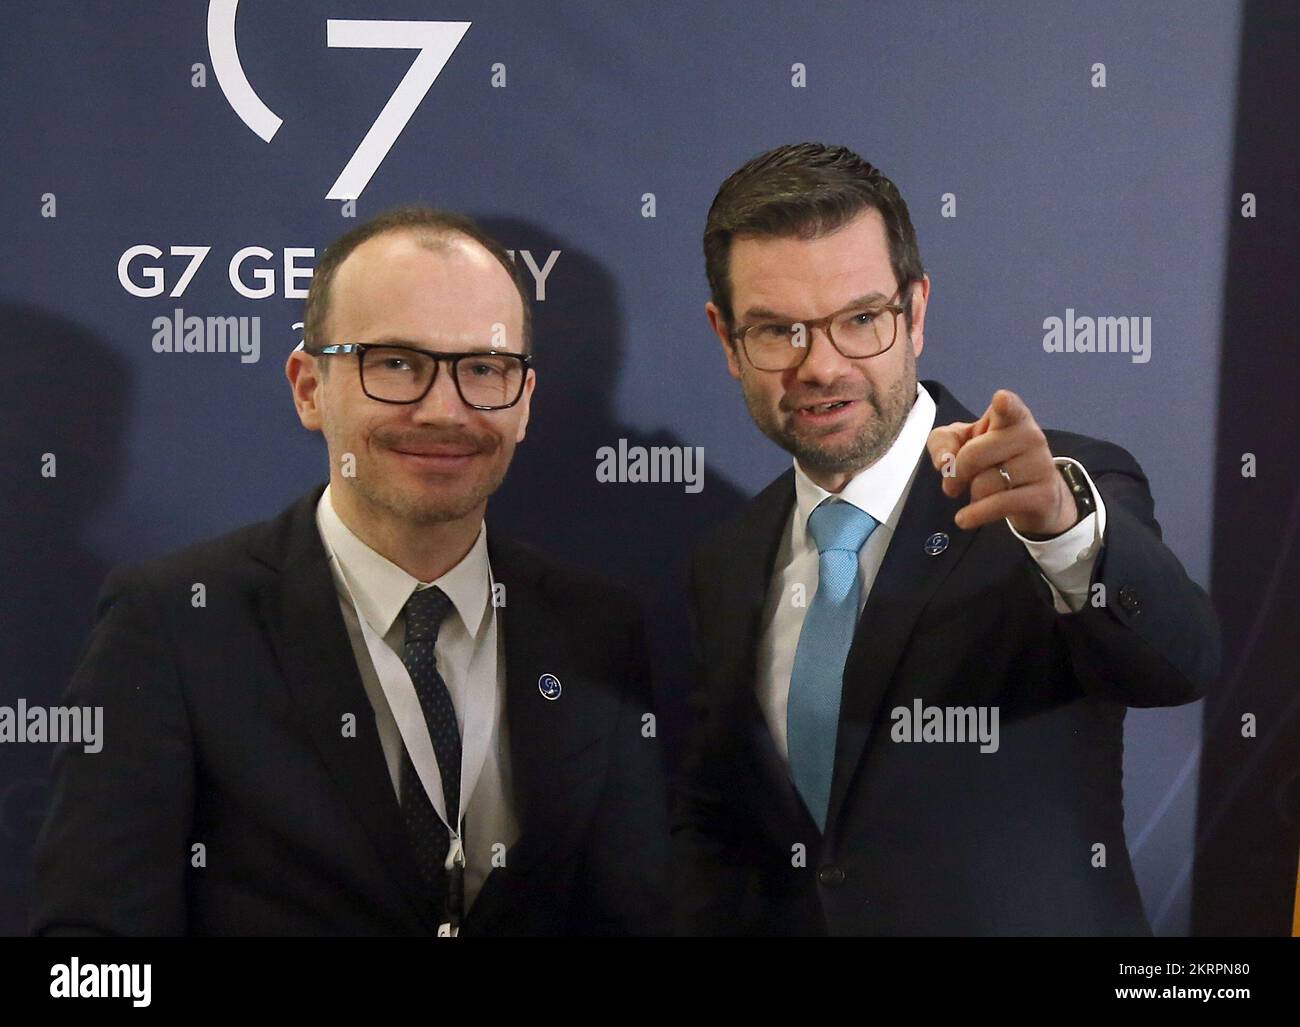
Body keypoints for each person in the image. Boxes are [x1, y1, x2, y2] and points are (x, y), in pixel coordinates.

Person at [32, 206, 669, 936]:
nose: (442, 408)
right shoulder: (175, 622)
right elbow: (86, 965)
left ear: (524, 403)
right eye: (395, 363)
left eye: (484, 368)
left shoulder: (596, 626)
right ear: (309, 387)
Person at [673, 143, 1220, 936]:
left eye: (861, 319)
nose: (821, 365)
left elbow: (1182, 660)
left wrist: (1063, 532)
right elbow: (719, 818)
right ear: (726, 339)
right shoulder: (725, 559)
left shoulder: (1057, 492)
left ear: (916, 312)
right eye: (777, 330)